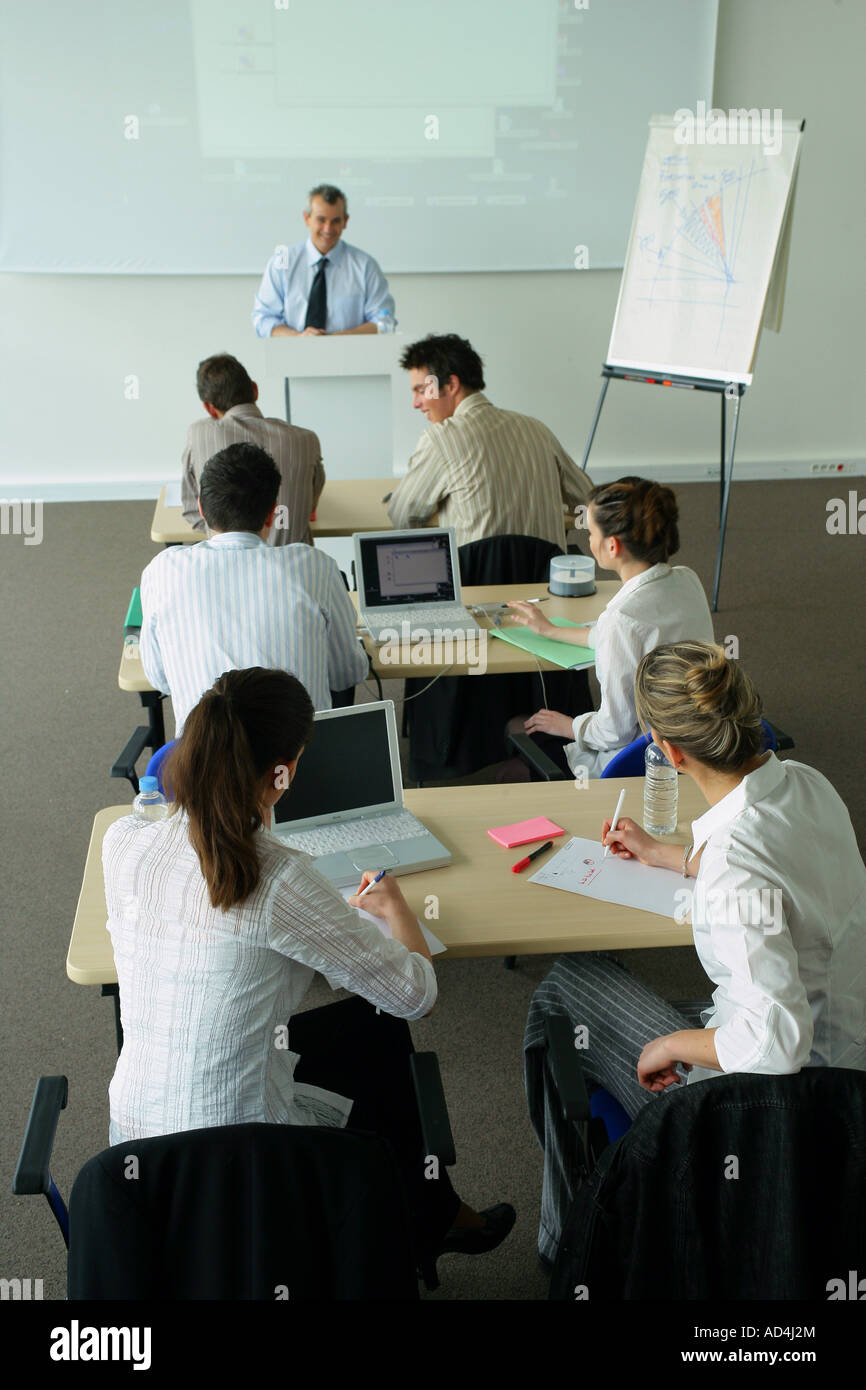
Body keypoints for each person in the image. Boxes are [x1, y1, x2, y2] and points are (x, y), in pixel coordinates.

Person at [103, 667, 515, 1277]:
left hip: (132, 1146)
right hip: (242, 1158)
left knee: (369, 1034)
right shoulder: (280, 878)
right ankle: (410, 1220)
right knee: (386, 1024)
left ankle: (433, 1209)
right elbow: (416, 993)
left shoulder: (123, 841)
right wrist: (394, 905)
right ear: (284, 774)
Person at [524, 641, 866, 1265]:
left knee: (567, 986)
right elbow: (776, 868)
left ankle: (570, 1245)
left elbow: (775, 1043)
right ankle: (577, 1231)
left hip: (776, 1107)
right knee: (590, 998)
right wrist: (673, 857)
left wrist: (671, 1046)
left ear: (669, 752)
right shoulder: (810, 785)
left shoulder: (735, 865)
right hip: (850, 1064)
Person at [140, 443, 367, 735]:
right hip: (302, 770)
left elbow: (160, 679)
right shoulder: (315, 568)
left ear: (201, 508)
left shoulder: (162, 571)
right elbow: (345, 674)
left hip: (203, 770)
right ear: (272, 514)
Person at [504, 477, 714, 778]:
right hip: (692, 741)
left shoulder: (622, 618)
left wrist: (568, 725)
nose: (589, 540)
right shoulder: (686, 579)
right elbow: (620, 636)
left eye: (591, 532)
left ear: (612, 545)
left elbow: (614, 731)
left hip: (636, 761)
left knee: (514, 729)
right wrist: (550, 630)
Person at [386, 333, 592, 550]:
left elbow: (402, 517)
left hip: (476, 584)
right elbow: (587, 500)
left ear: (451, 385)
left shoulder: (440, 438)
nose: (415, 404)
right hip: (544, 582)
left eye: (421, 391)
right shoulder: (537, 429)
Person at [180, 353, 324, 546]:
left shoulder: (199, 433)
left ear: (209, 408)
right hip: (297, 565)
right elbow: (310, 508)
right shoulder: (306, 439)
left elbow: (193, 512)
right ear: (255, 390)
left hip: (229, 565)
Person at [252, 184, 395, 338]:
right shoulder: (282, 262)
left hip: (349, 355)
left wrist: (342, 337)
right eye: (321, 220)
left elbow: (384, 321)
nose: (328, 229)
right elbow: (263, 319)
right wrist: (299, 337)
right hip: (292, 354)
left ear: (345, 221)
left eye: (335, 221)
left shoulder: (365, 266)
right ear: (306, 219)